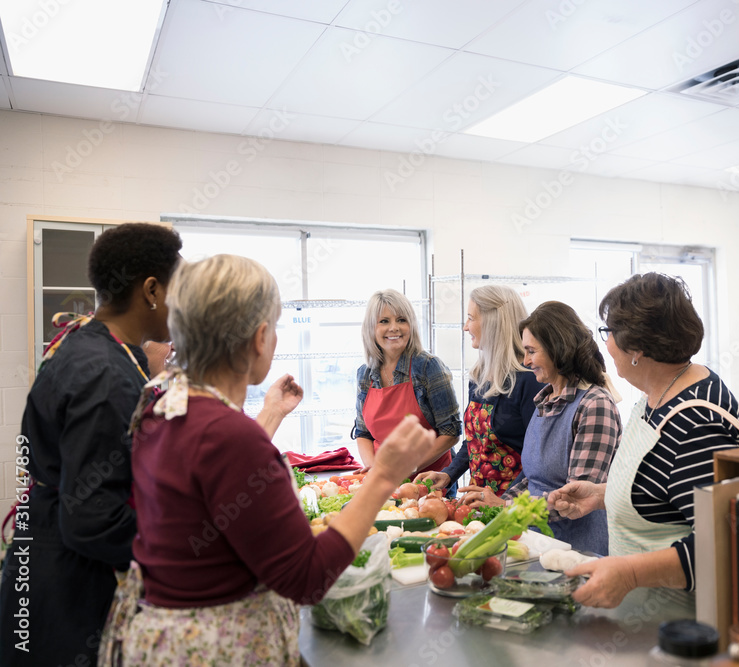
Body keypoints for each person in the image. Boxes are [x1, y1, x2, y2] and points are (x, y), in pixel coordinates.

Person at [113, 255, 433, 664]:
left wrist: (270, 414)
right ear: (261, 337)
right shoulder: (229, 435)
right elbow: (307, 578)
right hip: (218, 646)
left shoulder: (162, 401)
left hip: (163, 636)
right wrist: (385, 475)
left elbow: (215, 475)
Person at [0, 223, 182, 667]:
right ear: (153, 290)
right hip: (68, 585)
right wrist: (183, 545)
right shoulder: (103, 375)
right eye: (180, 286)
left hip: (45, 550)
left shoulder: (92, 347)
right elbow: (92, 518)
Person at [547, 273, 739, 611]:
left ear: (637, 348)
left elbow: (725, 544)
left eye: (609, 333)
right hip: (644, 612)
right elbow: (664, 493)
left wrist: (629, 574)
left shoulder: (696, 424)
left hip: (686, 619)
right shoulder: (656, 395)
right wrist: (602, 496)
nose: (606, 344)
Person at [460, 301, 622, 555]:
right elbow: (531, 479)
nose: (526, 361)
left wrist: (507, 509)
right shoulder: (545, 399)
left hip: (577, 551)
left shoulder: (595, 406)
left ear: (557, 349)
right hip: (538, 543)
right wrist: (498, 504)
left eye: (531, 352)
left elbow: (575, 500)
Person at [416, 286, 544, 495]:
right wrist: (448, 474)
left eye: (471, 318)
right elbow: (475, 444)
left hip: (516, 509)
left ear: (494, 322)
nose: (466, 327)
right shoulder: (480, 376)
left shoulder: (530, 380)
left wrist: (505, 503)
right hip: (479, 505)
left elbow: (539, 460)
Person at [354, 289, 460, 475]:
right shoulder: (365, 374)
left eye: (401, 320)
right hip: (384, 479)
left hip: (429, 481)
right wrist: (373, 470)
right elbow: (363, 433)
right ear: (371, 328)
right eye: (384, 321)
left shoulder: (428, 367)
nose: (394, 327)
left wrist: (409, 469)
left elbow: (451, 432)